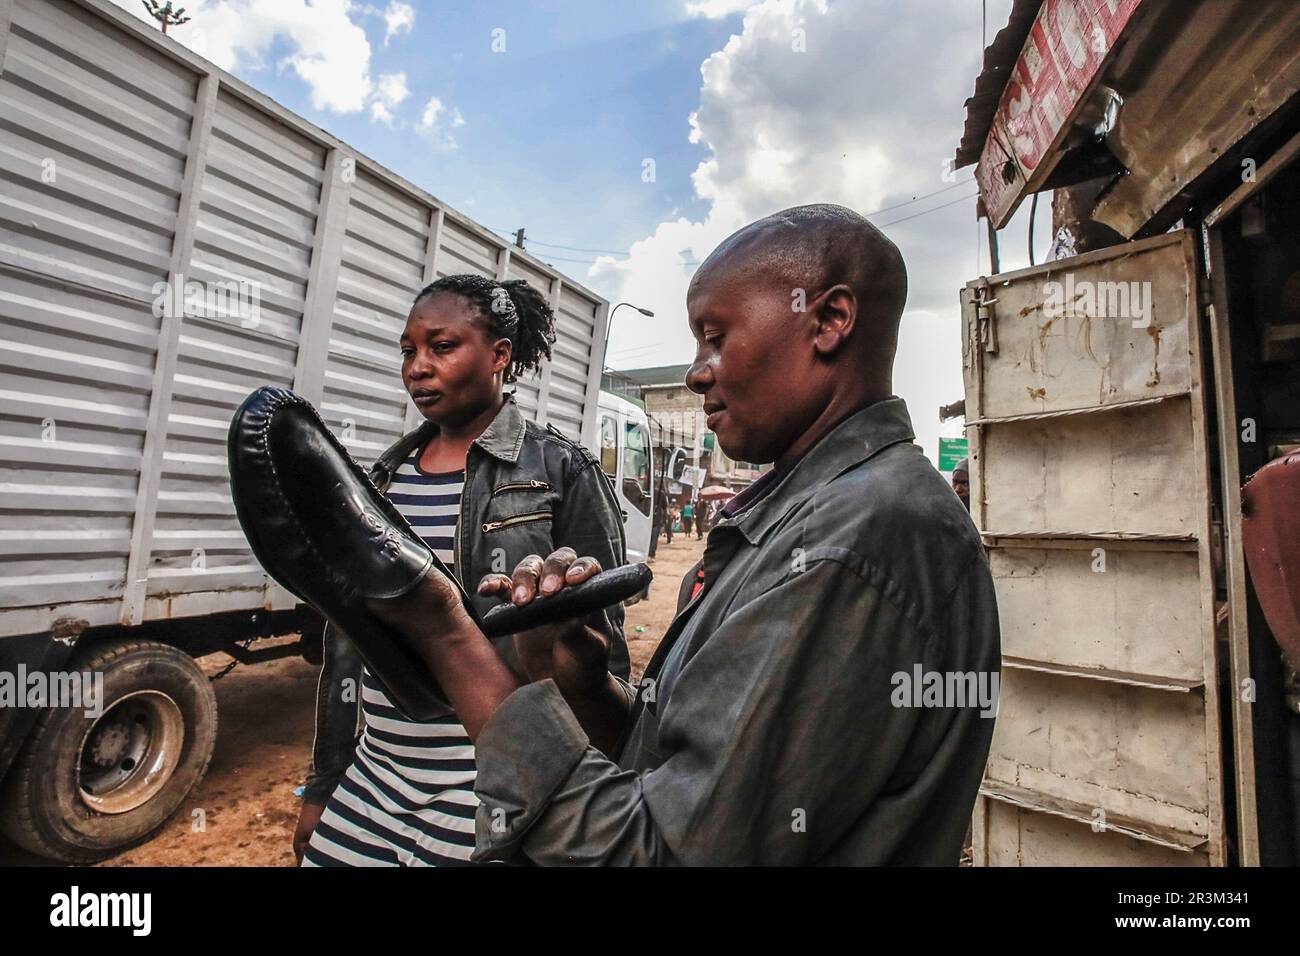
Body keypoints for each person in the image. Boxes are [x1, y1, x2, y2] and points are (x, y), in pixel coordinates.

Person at [363, 203, 1001, 865]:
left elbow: (657, 852)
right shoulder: (810, 510)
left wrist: (446, 632)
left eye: (716, 337)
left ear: (829, 320)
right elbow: (677, 773)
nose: (697, 372)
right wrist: (581, 682)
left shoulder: (860, 536)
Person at [293, 274, 630, 866]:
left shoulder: (562, 469)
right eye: (409, 350)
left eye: (441, 347)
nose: (418, 367)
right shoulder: (381, 481)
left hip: (493, 779)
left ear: (500, 355)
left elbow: (602, 647)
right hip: (378, 773)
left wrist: (595, 799)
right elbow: (345, 646)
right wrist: (324, 785)